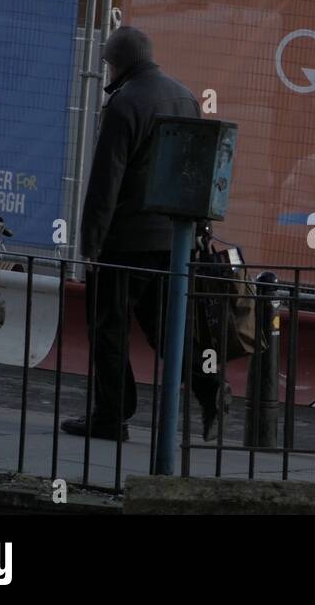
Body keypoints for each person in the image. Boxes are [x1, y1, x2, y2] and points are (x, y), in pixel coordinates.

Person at [60, 26, 228, 442]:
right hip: (173, 240)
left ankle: (111, 415)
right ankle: (210, 386)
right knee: (167, 328)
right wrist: (199, 229)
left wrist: (91, 245)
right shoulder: (185, 97)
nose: (108, 71)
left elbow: (106, 181)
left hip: (124, 242)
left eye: (109, 64)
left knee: (109, 326)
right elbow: (197, 169)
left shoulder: (123, 104)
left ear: (120, 63)